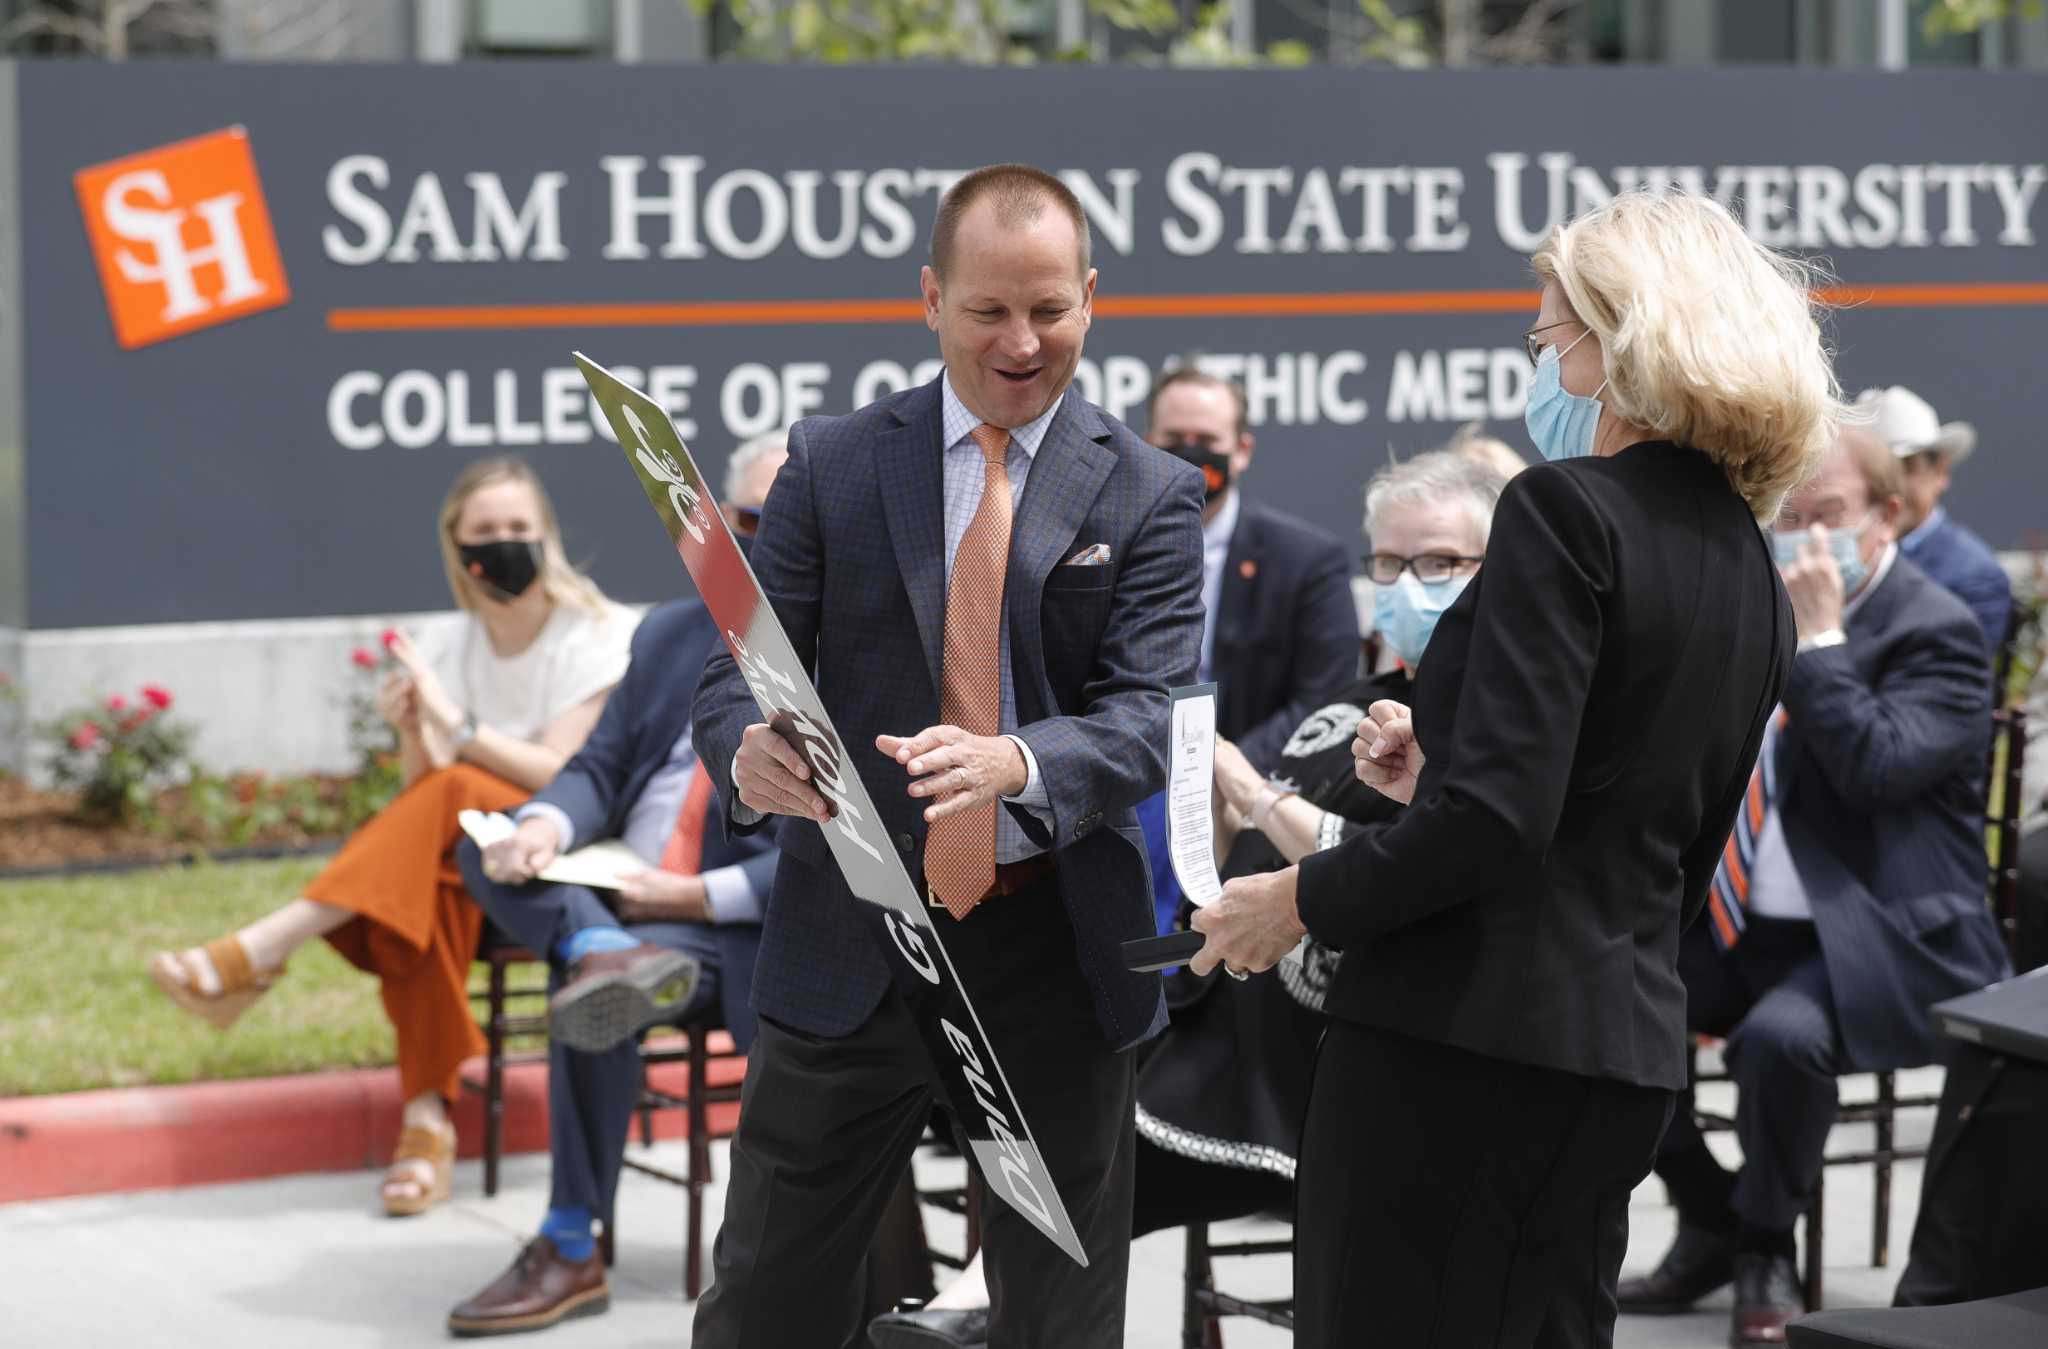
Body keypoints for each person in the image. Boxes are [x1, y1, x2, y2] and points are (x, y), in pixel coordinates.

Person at [1189, 190, 1837, 1349]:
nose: (1537, 365)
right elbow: (1638, 831)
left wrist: (1294, 897)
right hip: (1615, 1053)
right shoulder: (1747, 559)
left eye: (1547, 341)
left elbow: (1498, 823)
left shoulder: (1560, 509)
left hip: (1455, 1052)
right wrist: (1433, 783)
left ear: (1619, 337)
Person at [688, 163, 1205, 1349]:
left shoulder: (1148, 490)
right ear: (930, 298)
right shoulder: (831, 463)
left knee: (1056, 1315)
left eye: (1048, 309)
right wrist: (749, 752)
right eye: (987, 311)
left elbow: (1152, 710)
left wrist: (1017, 764)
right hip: (852, 937)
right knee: (767, 1301)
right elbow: (737, 664)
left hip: (1052, 963)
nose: (1020, 342)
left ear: (1090, 299)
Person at [868, 447, 1508, 1349]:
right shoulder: (1360, 701)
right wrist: (1214, 812)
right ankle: (969, 1305)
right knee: (985, 1045)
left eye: (1438, 563)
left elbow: (1411, 871)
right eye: (1388, 564)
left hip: (1320, 1043)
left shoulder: (1496, 720)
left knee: (1089, 1117)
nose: (1407, 585)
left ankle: (980, 1308)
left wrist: (1255, 795)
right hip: (1212, 984)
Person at [149, 457, 636, 1217]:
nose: (504, 544)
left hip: (562, 838)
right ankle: (425, 1120)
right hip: (470, 850)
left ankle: (268, 950)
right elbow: (425, 799)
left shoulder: (600, 633)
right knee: (430, 883)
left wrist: (459, 726)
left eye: (519, 528)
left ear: (548, 536)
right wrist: (415, 726)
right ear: (457, 545)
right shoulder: (445, 640)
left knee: (456, 798)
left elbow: (563, 771)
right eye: (486, 532)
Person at [1618, 426, 2010, 1344]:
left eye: (1826, 514)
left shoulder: (1935, 626)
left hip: (1880, 931)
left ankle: (1763, 1242)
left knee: (1781, 1041)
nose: (1804, 537)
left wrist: (1825, 639)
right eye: (1783, 516)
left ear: (1887, 516)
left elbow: (1880, 767)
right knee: (1601, 990)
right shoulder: (1742, 611)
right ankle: (1714, 1211)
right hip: (1733, 915)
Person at [439, 436, 787, 1337]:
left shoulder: (857, 651)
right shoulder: (674, 630)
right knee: (493, 837)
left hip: (731, 924)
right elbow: (595, 767)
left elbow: (845, 854)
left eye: (787, 522)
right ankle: (596, 940)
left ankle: (568, 1242)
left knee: (603, 992)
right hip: (615, 894)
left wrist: (694, 898)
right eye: (746, 521)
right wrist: (546, 827)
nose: (762, 542)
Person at [1132, 365, 1359, 933]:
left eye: (1208, 442)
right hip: (1130, 796)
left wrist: (1210, 767)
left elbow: (1323, 700)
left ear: (1242, 449)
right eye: (1172, 439)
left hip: (1246, 804)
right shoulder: (1111, 549)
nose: (1190, 452)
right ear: (1148, 443)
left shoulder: (1307, 560)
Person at [1859, 385, 2012, 658]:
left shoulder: (1975, 576)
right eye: (1872, 471)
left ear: (1940, 471)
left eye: (1906, 467)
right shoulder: (1825, 554)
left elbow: (1949, 683)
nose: (1889, 487)